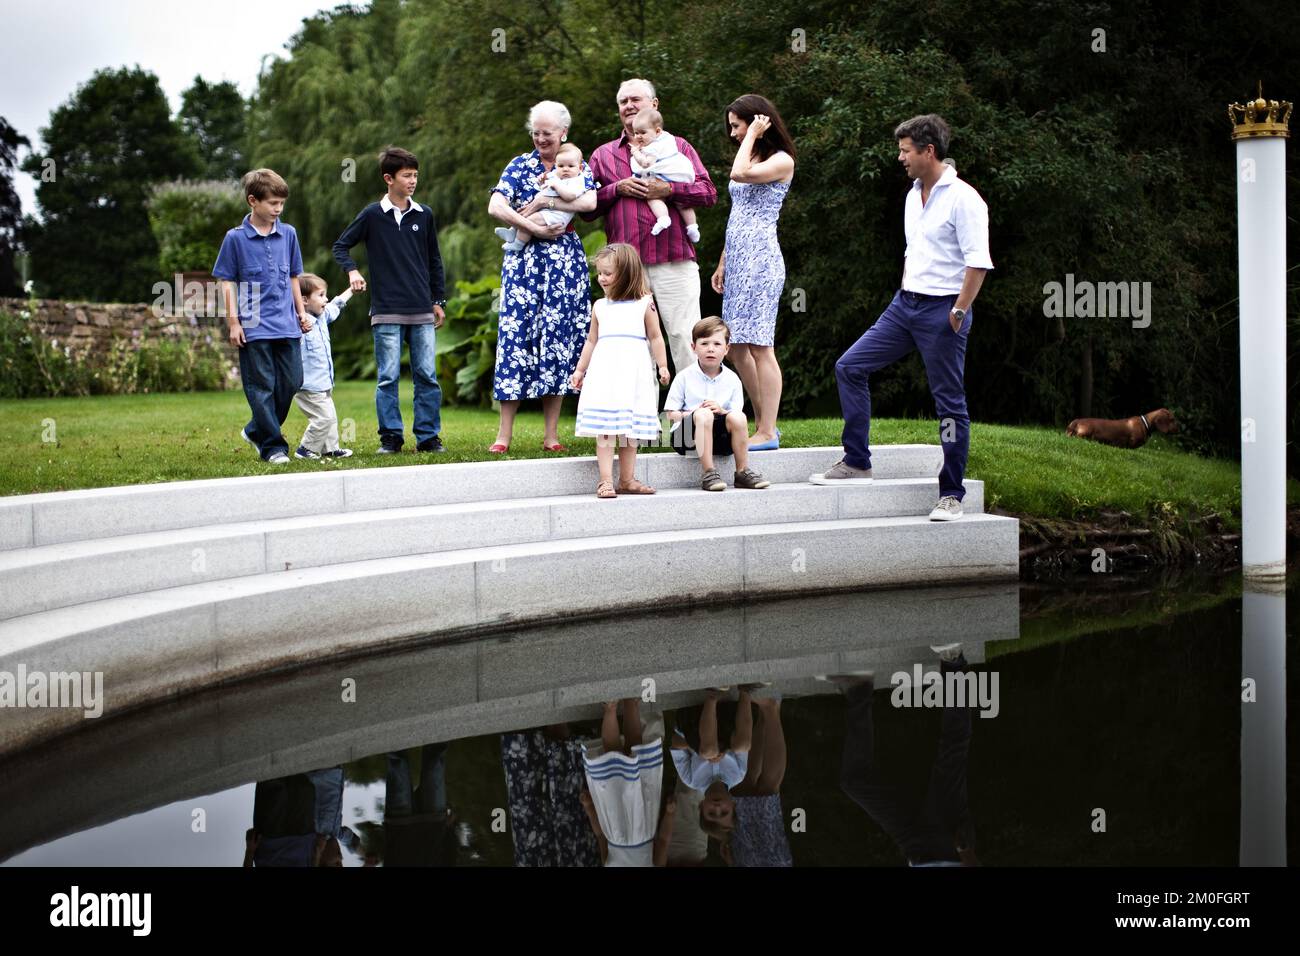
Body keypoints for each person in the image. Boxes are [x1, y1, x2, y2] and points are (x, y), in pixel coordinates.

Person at [811, 114, 993, 522]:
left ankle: (951, 494)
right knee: (850, 367)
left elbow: (977, 263)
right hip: (903, 305)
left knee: (948, 403)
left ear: (929, 151)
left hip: (944, 310)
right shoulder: (914, 194)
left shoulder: (965, 199)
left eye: (905, 150)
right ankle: (857, 461)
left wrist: (959, 310)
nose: (900, 158)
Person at [583, 78, 717, 376]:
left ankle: (693, 419)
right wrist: (616, 189)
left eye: (636, 99)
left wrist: (668, 189)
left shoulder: (678, 146)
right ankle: (641, 421)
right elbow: (586, 208)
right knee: (634, 344)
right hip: (626, 266)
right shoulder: (603, 155)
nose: (629, 106)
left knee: (684, 336)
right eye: (623, 102)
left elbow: (708, 192)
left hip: (674, 257)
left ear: (654, 105)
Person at [488, 101, 598, 453]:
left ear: (563, 132)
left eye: (546, 133)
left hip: (564, 263)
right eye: (535, 132)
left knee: (558, 341)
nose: (540, 138)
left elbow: (589, 204)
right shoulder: (520, 165)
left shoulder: (578, 165)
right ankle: (503, 435)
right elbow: (496, 206)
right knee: (515, 339)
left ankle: (551, 434)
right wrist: (527, 226)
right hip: (524, 264)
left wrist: (544, 205)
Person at [332, 146, 448, 455]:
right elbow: (341, 247)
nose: (413, 181)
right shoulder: (372, 215)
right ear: (389, 178)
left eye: (415, 175)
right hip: (385, 311)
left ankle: (428, 438)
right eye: (407, 176)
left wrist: (439, 300)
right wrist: (352, 271)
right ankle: (391, 439)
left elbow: (434, 260)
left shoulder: (424, 215)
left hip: (422, 308)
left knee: (427, 377)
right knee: (387, 378)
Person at [821, 644, 980, 866]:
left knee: (854, 782)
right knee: (953, 748)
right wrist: (965, 850)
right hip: (947, 839)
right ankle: (954, 663)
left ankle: (860, 687)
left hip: (913, 847)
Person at [710, 94, 796, 451]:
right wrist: (723, 261)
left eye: (737, 125)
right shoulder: (752, 154)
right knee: (737, 347)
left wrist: (752, 135)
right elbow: (739, 213)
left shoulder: (781, 160)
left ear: (757, 123)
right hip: (740, 259)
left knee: (761, 345)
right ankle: (764, 424)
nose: (733, 133)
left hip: (761, 260)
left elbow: (738, 173)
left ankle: (768, 429)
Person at [214, 168, 311, 465]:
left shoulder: (289, 234)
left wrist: (301, 311)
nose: (278, 210)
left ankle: (256, 429)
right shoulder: (235, 239)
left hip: (286, 322)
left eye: (281, 204)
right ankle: (272, 446)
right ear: (252, 201)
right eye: (273, 204)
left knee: (293, 380)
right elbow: (226, 281)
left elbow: (295, 275)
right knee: (261, 386)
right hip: (253, 325)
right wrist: (233, 322)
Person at [569, 243, 669, 498]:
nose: (601, 278)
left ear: (626, 274)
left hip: (633, 374)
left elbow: (656, 337)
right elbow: (591, 341)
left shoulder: (645, 303)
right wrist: (580, 370)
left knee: (629, 429)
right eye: (600, 273)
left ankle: (627, 478)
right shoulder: (600, 307)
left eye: (607, 273)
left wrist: (663, 365)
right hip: (605, 374)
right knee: (606, 427)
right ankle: (605, 480)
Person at [664, 316, 770, 492]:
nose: (710, 349)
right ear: (694, 348)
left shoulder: (732, 379)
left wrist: (722, 411)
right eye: (704, 344)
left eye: (717, 344)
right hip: (687, 439)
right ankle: (709, 473)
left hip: (720, 438)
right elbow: (668, 416)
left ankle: (742, 472)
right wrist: (692, 414)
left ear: (727, 349)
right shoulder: (684, 377)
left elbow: (737, 416)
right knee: (703, 414)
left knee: (737, 416)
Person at [579, 698, 675, 866]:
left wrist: (589, 808)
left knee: (611, 756)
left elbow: (600, 836)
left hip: (613, 827)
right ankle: (631, 704)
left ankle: (610, 709)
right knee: (636, 749)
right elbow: (664, 841)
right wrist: (670, 814)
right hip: (644, 824)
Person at [292, 273, 354, 460]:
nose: (325, 299)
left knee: (330, 416)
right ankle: (305, 448)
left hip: (325, 382)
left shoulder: (323, 316)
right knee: (323, 418)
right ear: (303, 300)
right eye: (320, 295)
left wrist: (351, 289)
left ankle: (330, 448)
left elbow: (336, 304)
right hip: (308, 385)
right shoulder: (298, 323)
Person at [494, 142, 592, 251]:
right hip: (545, 211)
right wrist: (542, 183)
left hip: (556, 216)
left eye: (570, 166)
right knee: (524, 214)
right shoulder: (557, 176)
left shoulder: (577, 181)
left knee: (530, 220)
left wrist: (556, 186)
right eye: (561, 166)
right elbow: (546, 190)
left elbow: (570, 196)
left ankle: (518, 243)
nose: (565, 169)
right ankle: (512, 232)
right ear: (556, 165)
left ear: (580, 168)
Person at [629, 108, 700, 241]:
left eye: (642, 133)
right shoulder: (667, 140)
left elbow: (646, 164)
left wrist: (635, 153)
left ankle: (663, 218)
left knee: (653, 197)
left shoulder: (654, 147)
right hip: (677, 176)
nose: (638, 136)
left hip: (667, 175)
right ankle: (692, 226)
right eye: (636, 133)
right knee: (682, 203)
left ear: (657, 131)